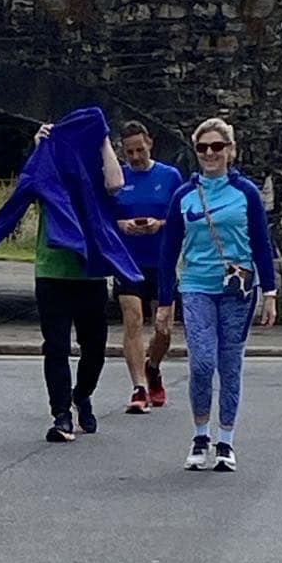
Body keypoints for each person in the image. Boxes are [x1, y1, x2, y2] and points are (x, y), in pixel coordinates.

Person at [0, 108, 139, 444]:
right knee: (56, 346)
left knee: (94, 348)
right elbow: (22, 192)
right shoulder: (47, 171)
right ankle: (61, 414)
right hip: (51, 272)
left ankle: (81, 395)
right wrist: (40, 148)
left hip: (90, 274)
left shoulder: (95, 174)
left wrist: (102, 137)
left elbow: (116, 183)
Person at [155, 118, 277, 472]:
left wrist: (270, 292)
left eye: (217, 147)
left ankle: (226, 440)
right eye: (203, 148)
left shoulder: (246, 193)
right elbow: (168, 251)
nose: (210, 153)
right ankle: (200, 435)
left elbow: (261, 242)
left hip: (237, 289)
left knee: (230, 363)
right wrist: (165, 302)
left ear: (230, 151)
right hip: (196, 285)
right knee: (202, 363)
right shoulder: (184, 195)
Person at [113, 120, 184, 414]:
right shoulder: (117, 178)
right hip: (128, 261)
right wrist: (121, 225)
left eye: (140, 150)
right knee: (133, 320)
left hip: (162, 261)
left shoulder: (170, 176)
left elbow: (182, 218)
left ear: (150, 144)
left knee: (163, 329)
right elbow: (105, 218)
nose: (135, 157)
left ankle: (152, 366)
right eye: (129, 152)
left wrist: (160, 224)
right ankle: (139, 387)